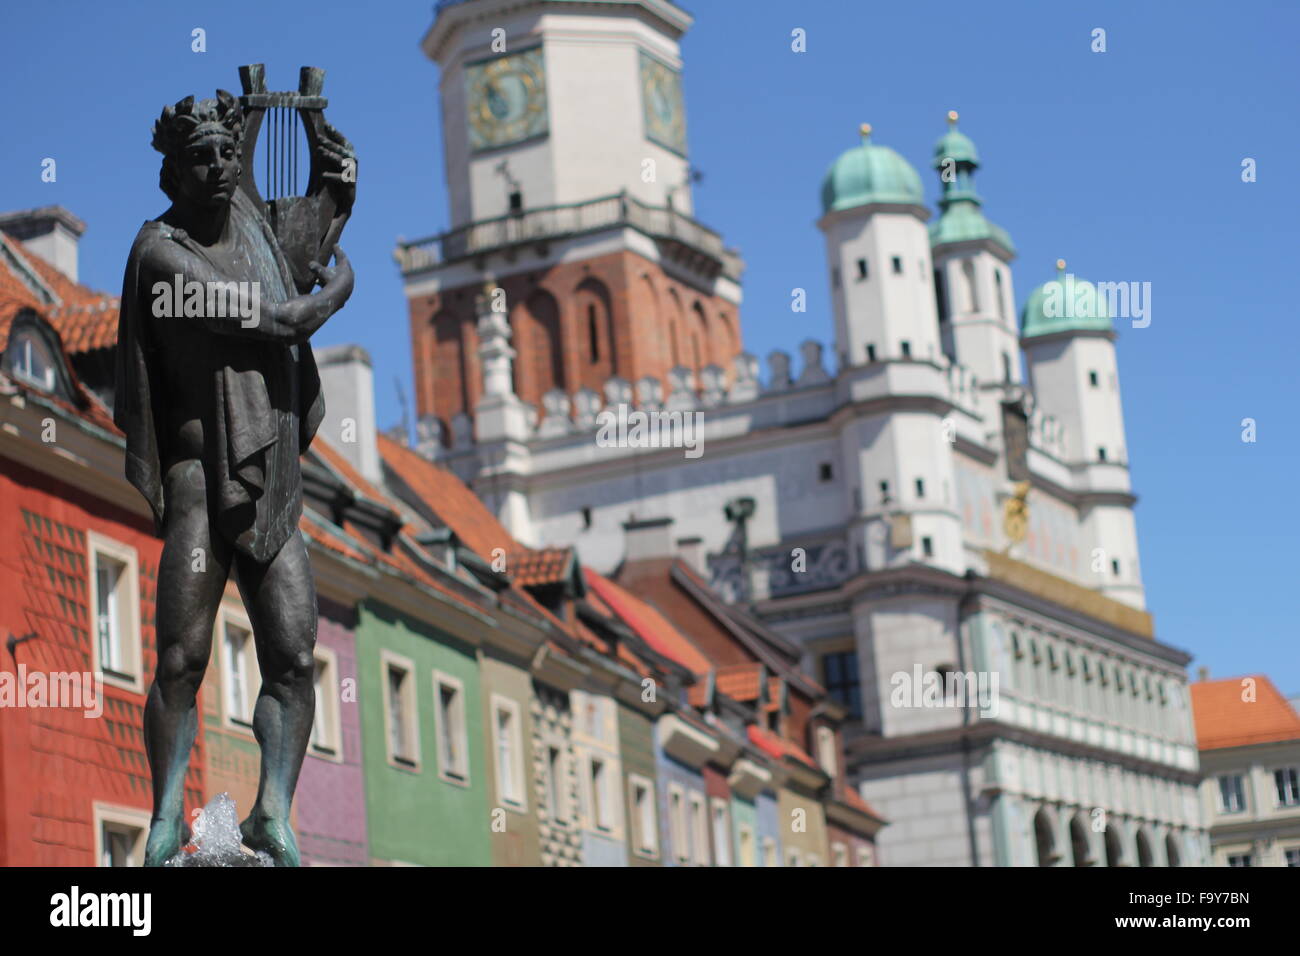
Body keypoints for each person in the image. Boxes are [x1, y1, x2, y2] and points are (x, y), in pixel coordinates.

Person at [114, 89, 355, 866]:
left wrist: (339, 188)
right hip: (195, 476)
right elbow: (285, 317)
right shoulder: (161, 257)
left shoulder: (250, 222)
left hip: (270, 479)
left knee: (291, 651)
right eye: (201, 158)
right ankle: (161, 816)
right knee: (181, 659)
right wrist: (341, 286)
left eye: (226, 152)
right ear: (170, 174)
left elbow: (304, 234)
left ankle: (272, 815)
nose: (220, 167)